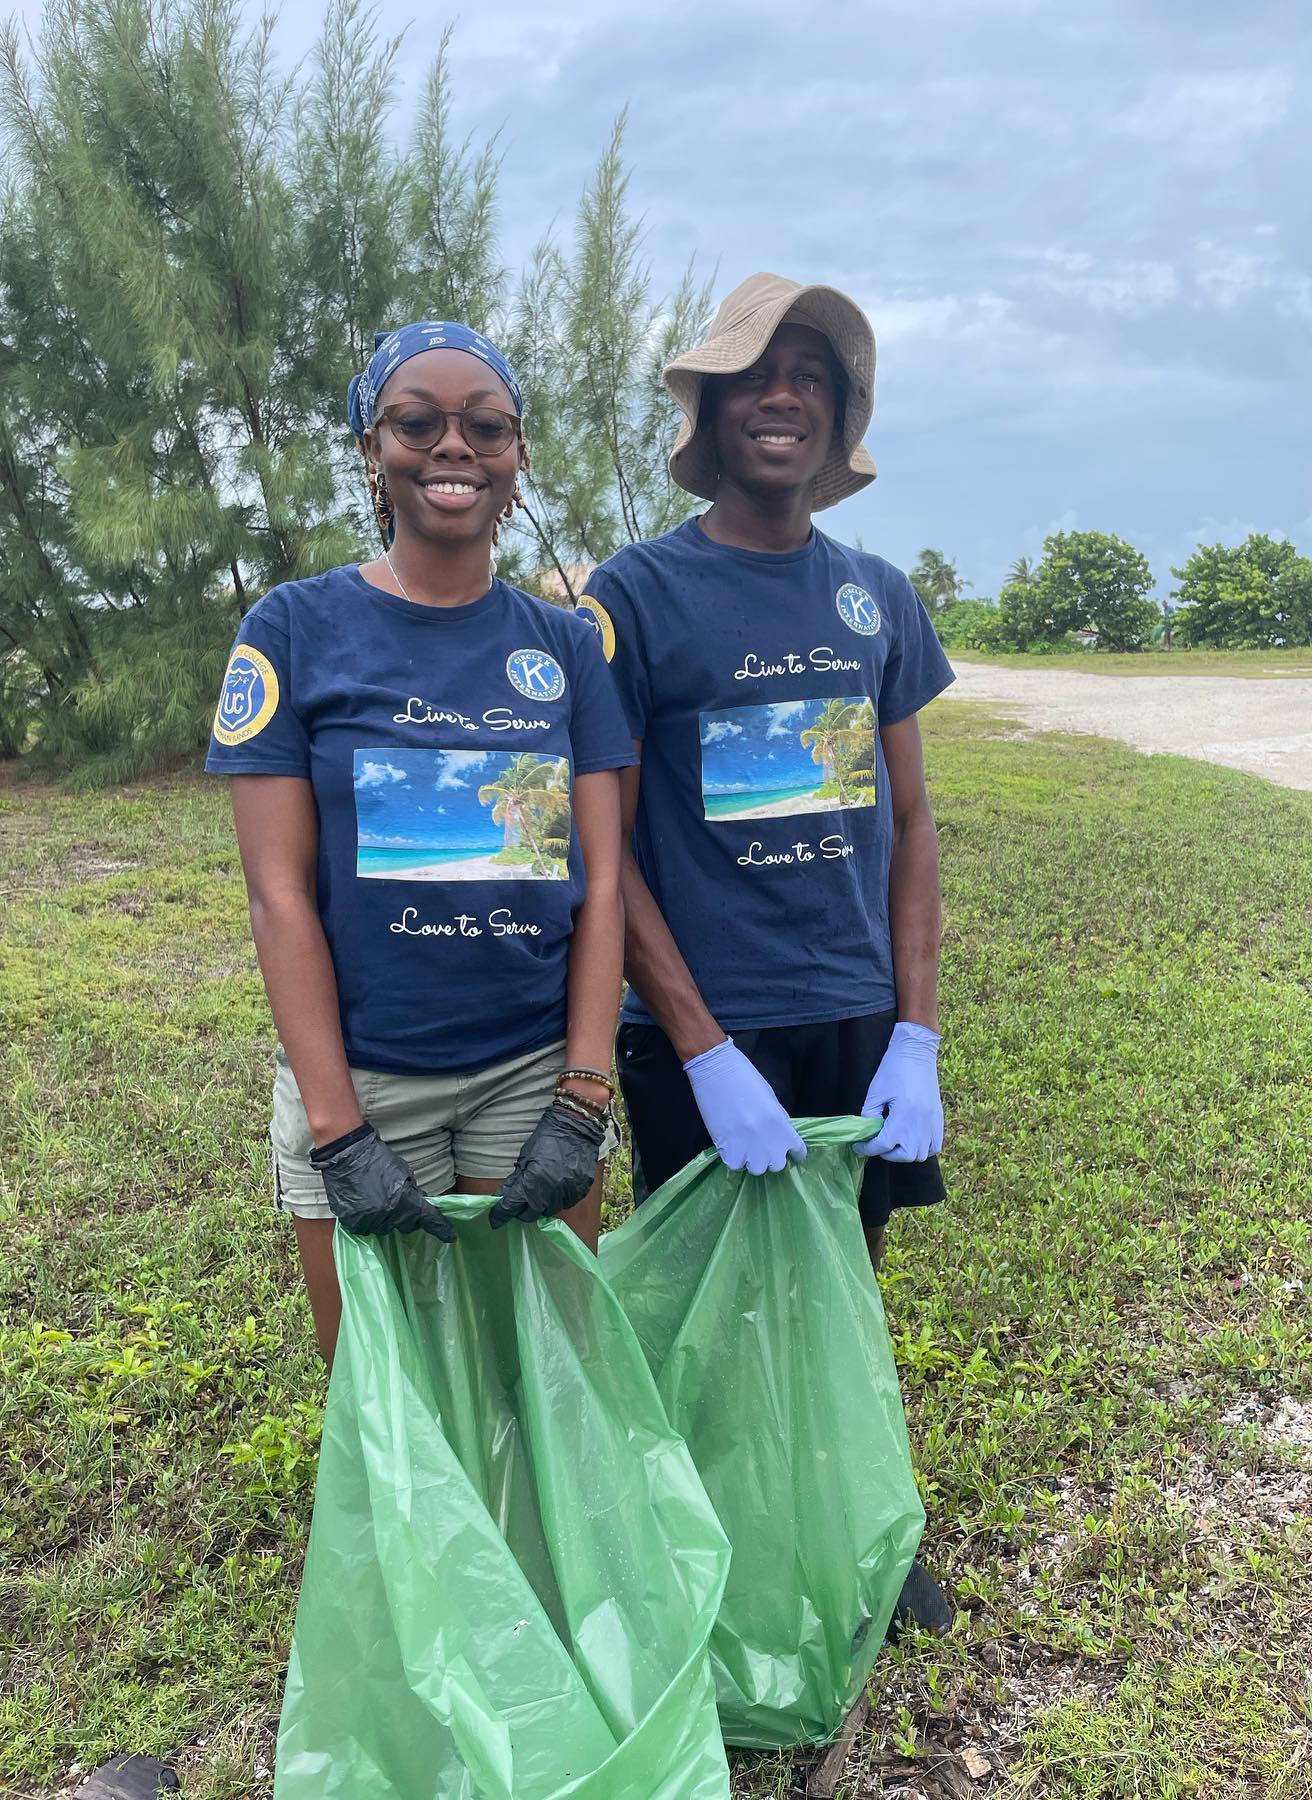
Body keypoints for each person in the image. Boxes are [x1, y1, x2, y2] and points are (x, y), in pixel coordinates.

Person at [579, 272, 955, 1633]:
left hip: (854, 1017)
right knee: (719, 1308)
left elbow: (910, 825)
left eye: (813, 371)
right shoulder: (637, 597)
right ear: (713, 410)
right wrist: (698, 1043)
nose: (784, 390)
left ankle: (854, 1530)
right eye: (756, 371)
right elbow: (603, 851)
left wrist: (915, 1028)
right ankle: (719, 1558)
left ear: (841, 416)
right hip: (707, 1033)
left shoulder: (877, 600)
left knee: (844, 1287)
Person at [206, 321, 636, 1369]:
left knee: (546, 1372)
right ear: (372, 448)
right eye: (417, 422)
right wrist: (337, 1127)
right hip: (362, 1077)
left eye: (485, 426)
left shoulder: (566, 647)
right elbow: (279, 898)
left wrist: (583, 1095)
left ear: (518, 455)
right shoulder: (292, 629)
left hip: (530, 1071)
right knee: (381, 1388)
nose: (455, 447)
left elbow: (605, 883)